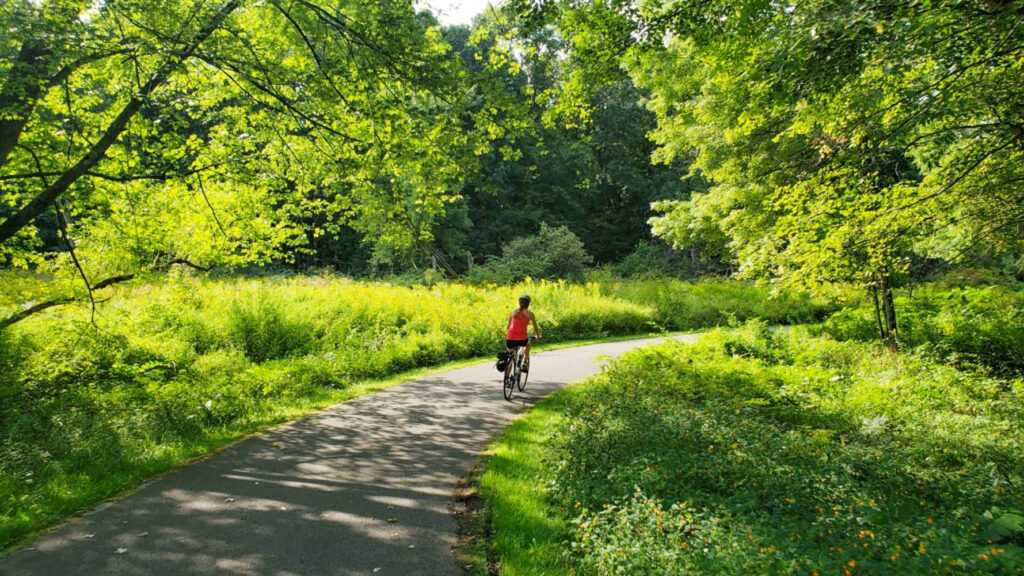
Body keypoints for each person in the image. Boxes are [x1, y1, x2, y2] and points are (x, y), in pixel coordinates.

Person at [506, 294, 541, 372]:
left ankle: (507, 379)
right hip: (521, 339)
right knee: (527, 343)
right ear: (528, 303)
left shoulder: (513, 312)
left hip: (510, 338)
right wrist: (538, 336)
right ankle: (525, 362)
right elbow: (535, 328)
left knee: (511, 356)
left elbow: (508, 327)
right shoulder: (530, 314)